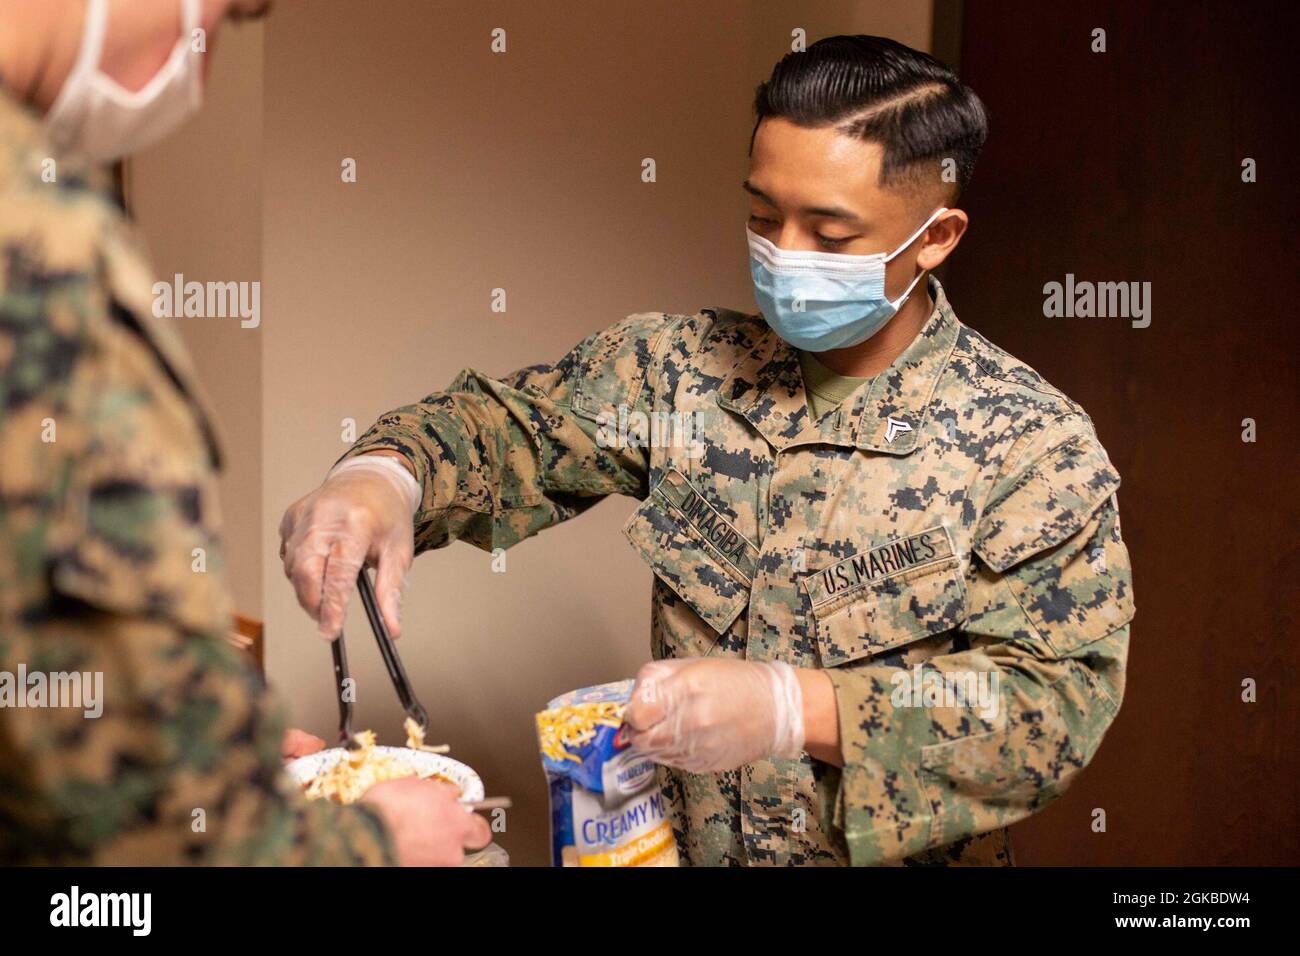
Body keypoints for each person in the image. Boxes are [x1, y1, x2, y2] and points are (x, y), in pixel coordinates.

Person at [279, 35, 1134, 866]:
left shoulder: (1029, 442)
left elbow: (1051, 710)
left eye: (830, 236)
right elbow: (505, 429)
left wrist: (797, 710)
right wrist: (383, 479)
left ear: (938, 236)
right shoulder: (679, 373)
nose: (783, 255)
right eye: (763, 216)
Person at [0, 0, 488, 865]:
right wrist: (372, 844)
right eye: (225, 17)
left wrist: (213, 752)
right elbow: (143, 853)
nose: (204, 64)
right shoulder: (41, 238)